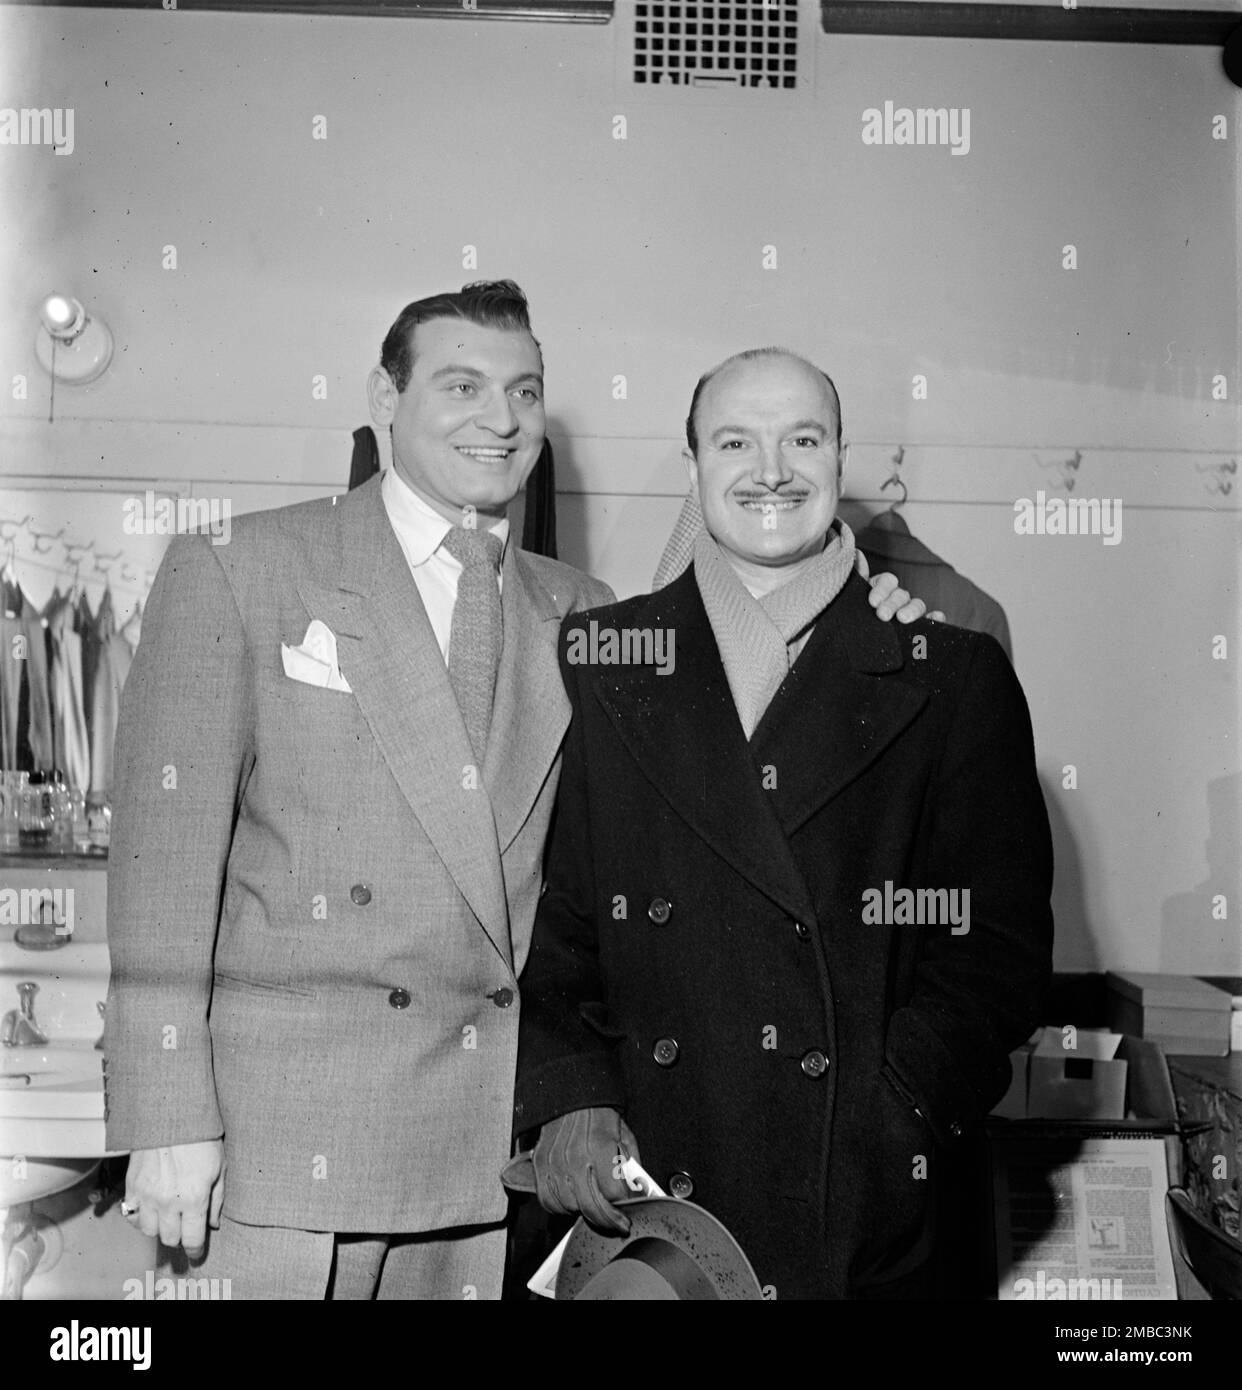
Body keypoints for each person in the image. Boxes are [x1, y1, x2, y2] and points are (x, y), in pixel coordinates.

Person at [104, 287, 926, 1300]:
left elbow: (730, 736)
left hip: (488, 1163)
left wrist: (862, 607)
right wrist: (167, 1118)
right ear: (383, 397)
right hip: (288, 1152)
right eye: (462, 385)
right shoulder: (241, 567)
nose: (499, 417)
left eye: (524, 392)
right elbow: (161, 869)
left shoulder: (590, 615)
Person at [513, 347, 1055, 1300]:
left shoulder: (948, 672)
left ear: (840, 460)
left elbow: (990, 955)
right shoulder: (605, 659)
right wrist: (573, 1096)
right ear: (693, 468)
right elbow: (564, 926)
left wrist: (892, 1127)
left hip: (854, 1208)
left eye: (801, 439)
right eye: (735, 442)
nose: (770, 470)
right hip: (647, 1199)